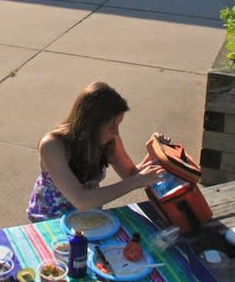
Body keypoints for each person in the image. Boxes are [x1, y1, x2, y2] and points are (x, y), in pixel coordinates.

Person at [26, 81, 168, 222]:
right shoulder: (53, 146)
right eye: (111, 125)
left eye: (118, 124)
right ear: (89, 124)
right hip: (50, 220)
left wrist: (154, 155)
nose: (116, 131)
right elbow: (81, 200)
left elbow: (130, 175)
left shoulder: (109, 138)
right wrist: (135, 181)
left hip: (89, 218)